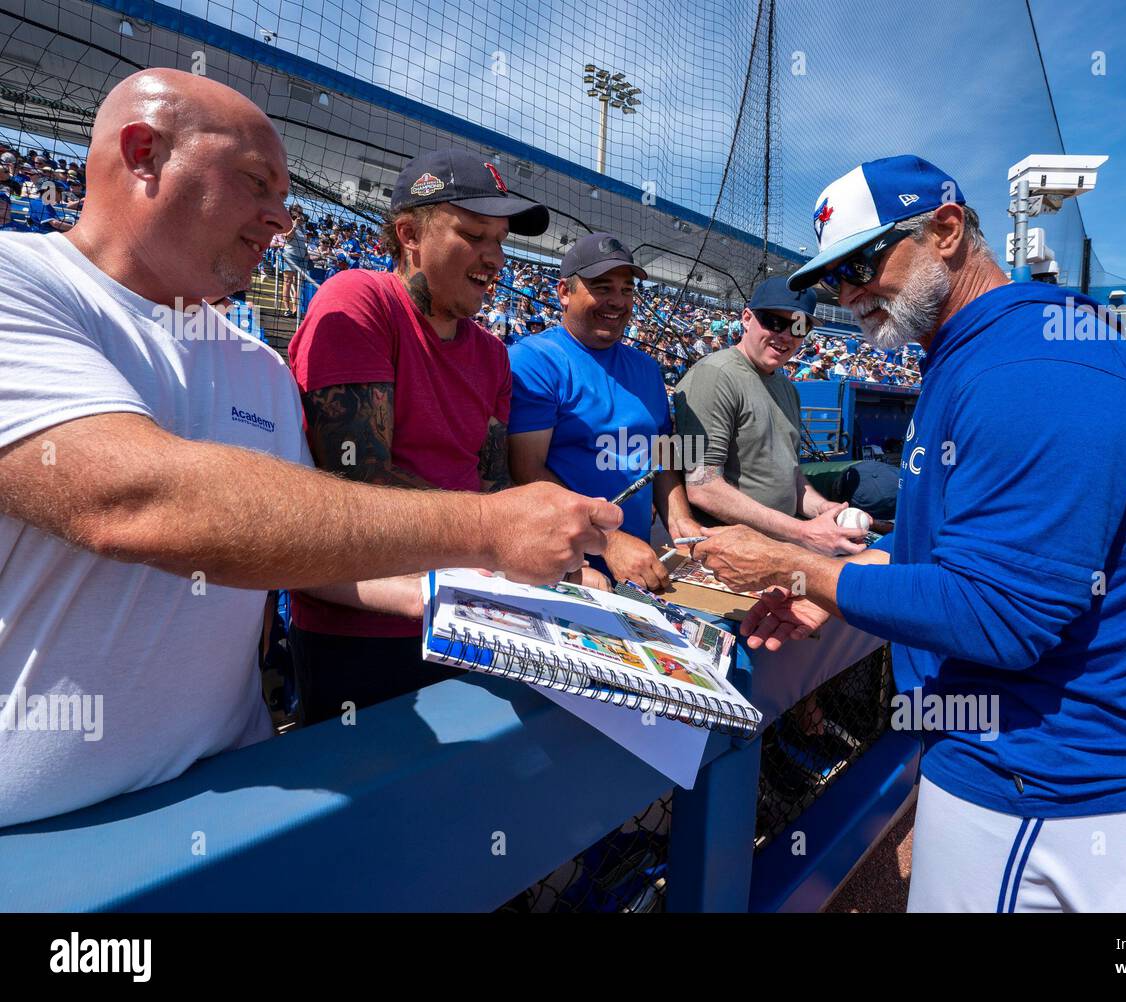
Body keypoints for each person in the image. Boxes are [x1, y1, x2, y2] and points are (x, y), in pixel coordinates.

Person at [0, 69, 620, 830]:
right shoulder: (18, 284)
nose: (281, 219)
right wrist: (492, 531)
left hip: (245, 790)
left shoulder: (257, 366)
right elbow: (131, 502)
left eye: (285, 196)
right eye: (258, 183)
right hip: (39, 831)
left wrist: (494, 597)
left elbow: (317, 552)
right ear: (142, 153)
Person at [695, 155, 1126, 913]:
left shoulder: (1033, 364)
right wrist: (843, 595)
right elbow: (958, 557)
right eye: (831, 279)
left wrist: (802, 569)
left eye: (860, 263)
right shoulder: (980, 353)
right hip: (1052, 768)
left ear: (947, 231)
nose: (848, 294)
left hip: (1054, 783)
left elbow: (1001, 612)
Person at [284, 149, 555, 724]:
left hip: (473, 611)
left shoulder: (491, 354)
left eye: (501, 240)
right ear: (409, 233)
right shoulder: (359, 300)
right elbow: (357, 478)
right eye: (475, 235)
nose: (495, 258)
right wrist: (498, 532)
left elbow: (492, 481)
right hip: (365, 624)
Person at [508, 233, 702, 591]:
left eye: (627, 290)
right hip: (564, 568)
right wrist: (606, 541)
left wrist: (680, 519)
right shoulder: (533, 359)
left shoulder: (646, 368)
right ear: (564, 291)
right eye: (602, 287)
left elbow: (661, 455)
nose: (617, 301)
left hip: (640, 565)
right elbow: (525, 469)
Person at [674, 277, 866, 557]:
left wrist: (822, 509)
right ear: (747, 318)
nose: (786, 335)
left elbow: (792, 477)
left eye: (799, 327)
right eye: (774, 322)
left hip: (777, 547)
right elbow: (703, 487)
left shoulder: (786, 387)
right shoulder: (715, 375)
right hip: (729, 553)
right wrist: (802, 531)